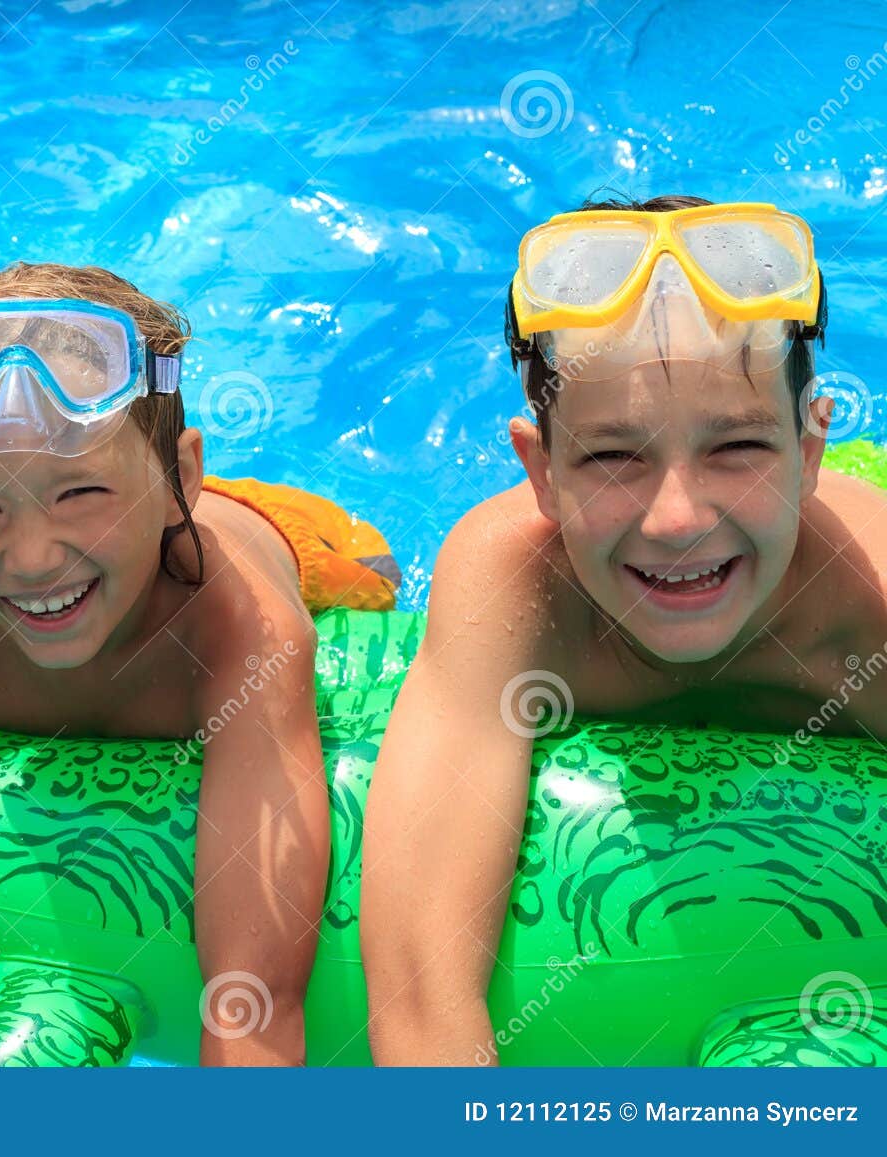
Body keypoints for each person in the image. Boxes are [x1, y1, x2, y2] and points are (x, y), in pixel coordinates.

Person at [0, 263, 399, 1066]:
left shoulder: (242, 633)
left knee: (378, 573)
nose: (34, 556)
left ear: (181, 474)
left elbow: (255, 1002)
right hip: (86, 500)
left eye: (80, 495)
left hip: (290, 539)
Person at [360, 196, 881, 1064]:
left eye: (738, 448)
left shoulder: (870, 610)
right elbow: (421, 991)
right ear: (541, 472)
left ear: (811, 449)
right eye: (612, 457)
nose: (676, 517)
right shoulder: (515, 588)